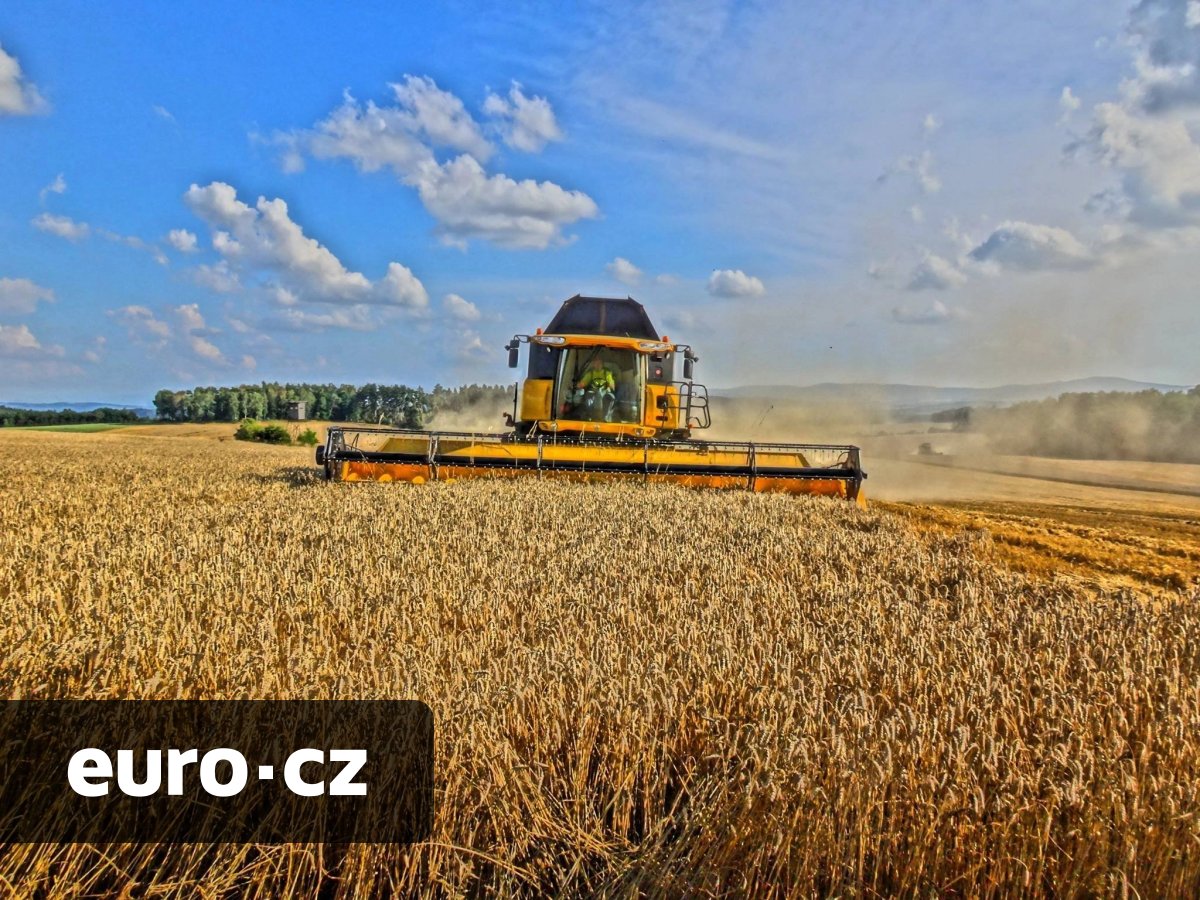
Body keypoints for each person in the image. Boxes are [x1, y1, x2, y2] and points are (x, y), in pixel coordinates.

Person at [574, 356, 615, 420]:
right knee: (588, 396)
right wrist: (577, 385)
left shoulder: (607, 373)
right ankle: (591, 416)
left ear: (602, 364)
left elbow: (611, 383)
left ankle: (604, 416)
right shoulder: (590, 373)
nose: (598, 364)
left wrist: (610, 386)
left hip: (604, 391)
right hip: (593, 392)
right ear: (593, 364)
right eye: (596, 363)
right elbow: (582, 383)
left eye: (599, 363)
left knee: (611, 397)